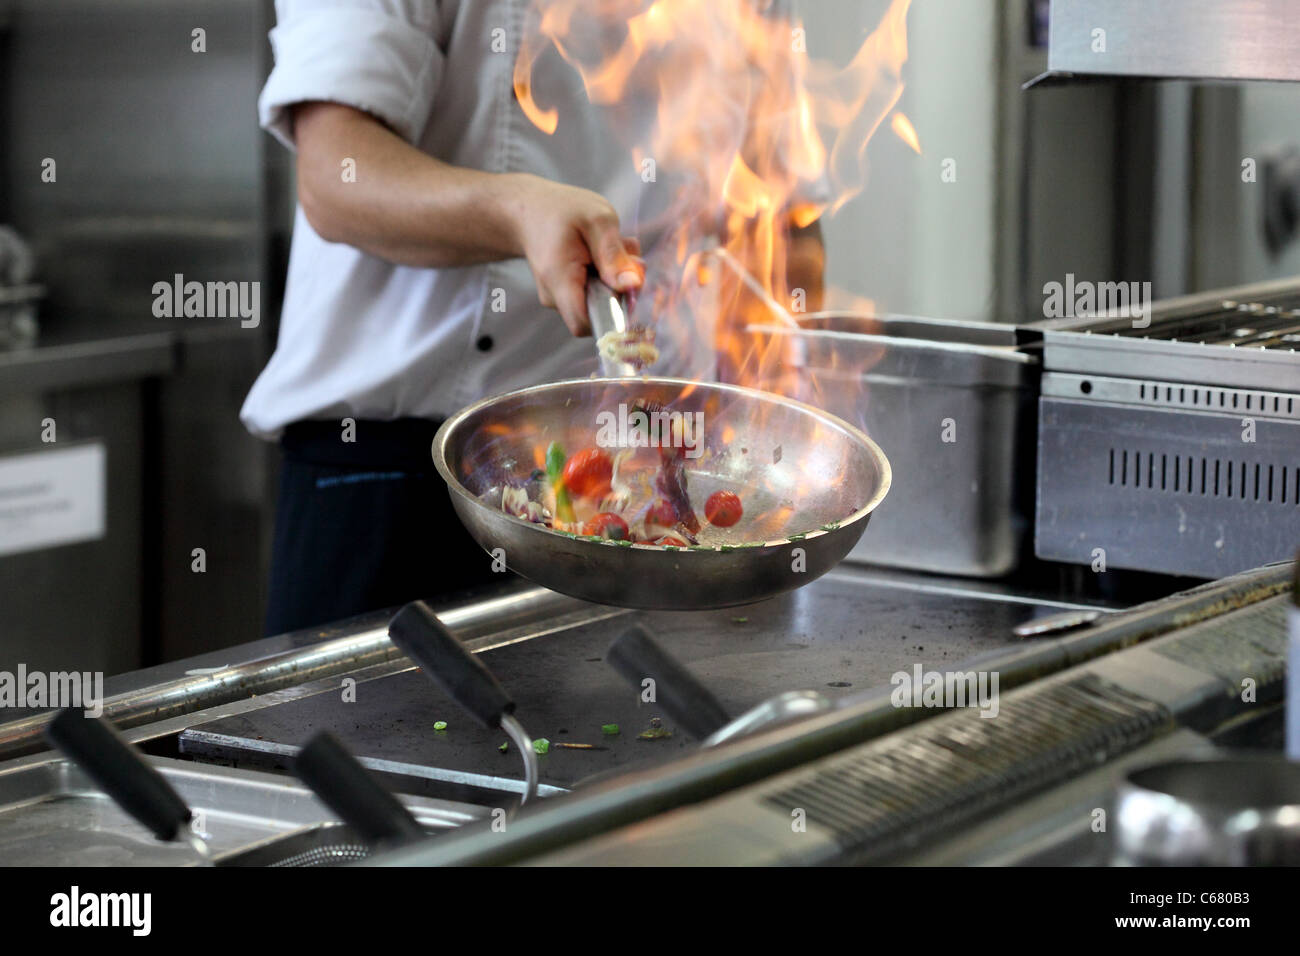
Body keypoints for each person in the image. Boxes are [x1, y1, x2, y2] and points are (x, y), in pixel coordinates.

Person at [244, 0, 821, 635]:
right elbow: (336, 175)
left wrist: (779, 430)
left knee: (641, 728)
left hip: (658, 474)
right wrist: (518, 211)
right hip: (398, 476)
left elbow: (778, 214)